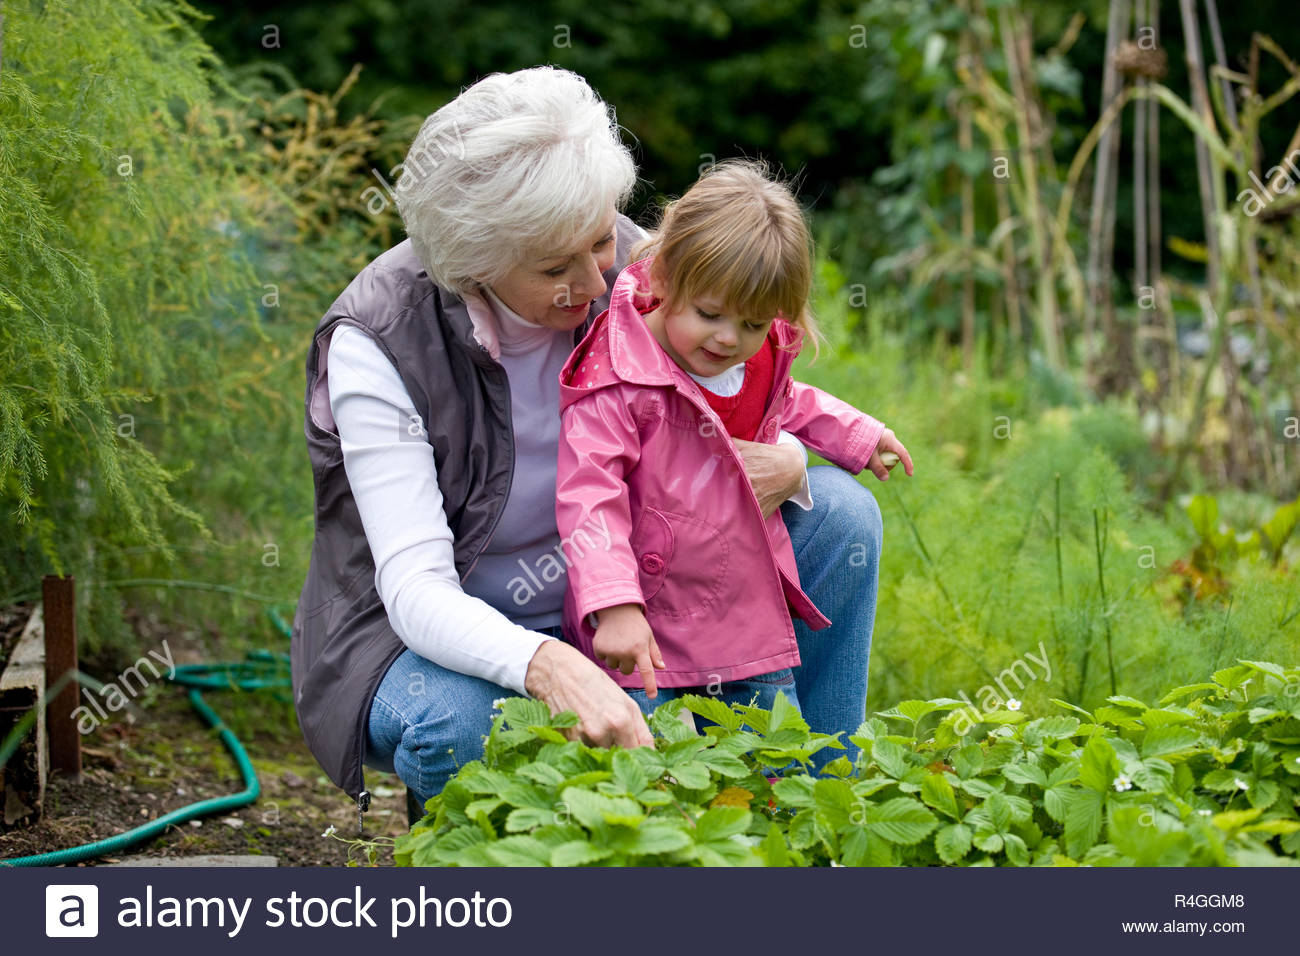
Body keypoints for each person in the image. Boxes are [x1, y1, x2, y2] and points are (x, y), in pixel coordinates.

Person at [290, 66, 890, 822]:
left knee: (838, 515)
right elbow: (415, 591)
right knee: (466, 724)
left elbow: (751, 385)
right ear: (472, 264)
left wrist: (794, 460)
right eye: (552, 268)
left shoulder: (645, 268)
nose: (595, 280)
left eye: (601, 240)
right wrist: (547, 663)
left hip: (633, 586)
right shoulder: (381, 341)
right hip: (435, 631)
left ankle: (816, 806)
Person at [556, 161, 912, 715]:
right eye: (710, 315)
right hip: (645, 627)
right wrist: (614, 604)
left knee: (770, 766)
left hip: (743, 617)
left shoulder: (755, 357)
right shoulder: (617, 374)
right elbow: (589, 497)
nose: (729, 339)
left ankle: (823, 789)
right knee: (647, 777)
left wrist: (860, 435)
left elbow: (791, 399)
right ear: (666, 276)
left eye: (753, 324)